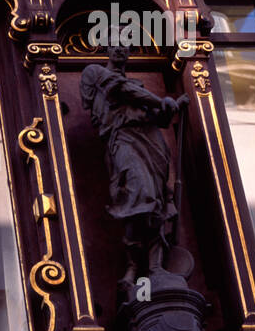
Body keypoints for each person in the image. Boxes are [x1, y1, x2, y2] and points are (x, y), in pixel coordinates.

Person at [79, 45, 188, 290]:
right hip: (123, 141)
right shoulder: (95, 73)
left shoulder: (137, 86)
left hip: (152, 145)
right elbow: (121, 89)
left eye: (125, 47)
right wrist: (163, 100)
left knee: (156, 202)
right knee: (138, 195)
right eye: (115, 45)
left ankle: (155, 267)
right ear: (107, 48)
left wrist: (172, 107)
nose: (120, 50)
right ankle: (132, 265)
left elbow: (157, 118)